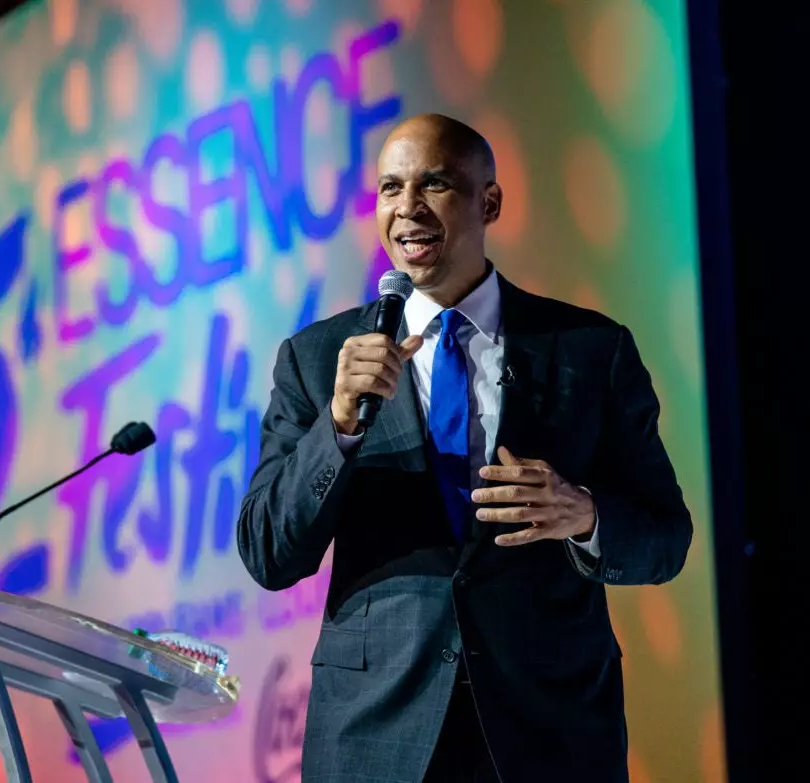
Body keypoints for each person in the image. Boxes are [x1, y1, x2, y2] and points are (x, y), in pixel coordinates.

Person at [236, 113, 692, 782]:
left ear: (491, 201)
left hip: (550, 726)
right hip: (376, 731)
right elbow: (268, 552)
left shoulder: (591, 350)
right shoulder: (317, 360)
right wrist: (336, 427)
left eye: (435, 184)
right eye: (391, 188)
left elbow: (666, 537)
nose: (407, 209)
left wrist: (585, 515)